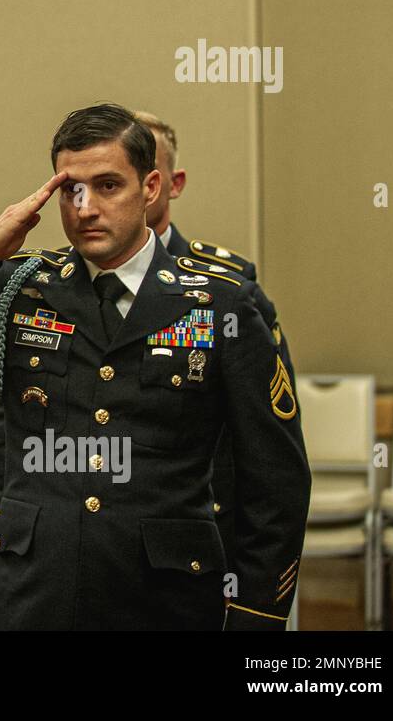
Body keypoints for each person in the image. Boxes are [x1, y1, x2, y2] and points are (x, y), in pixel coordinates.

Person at [0, 103, 310, 630]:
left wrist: (255, 618)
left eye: (107, 186)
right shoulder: (21, 290)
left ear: (150, 188)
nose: (85, 208)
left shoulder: (221, 303)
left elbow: (274, 480)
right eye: (70, 190)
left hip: (164, 598)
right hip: (38, 593)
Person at [134, 111, 298, 551]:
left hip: (201, 528)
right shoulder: (58, 283)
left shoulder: (228, 286)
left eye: (144, 173)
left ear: (172, 183)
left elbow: (268, 438)